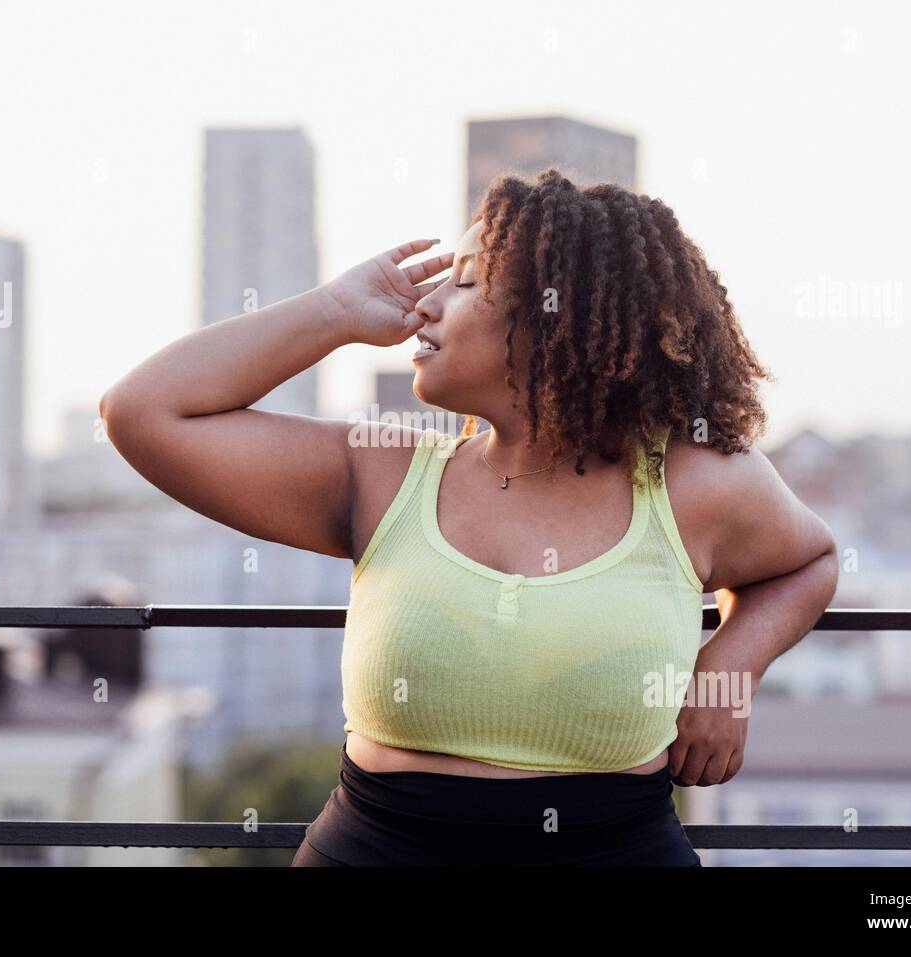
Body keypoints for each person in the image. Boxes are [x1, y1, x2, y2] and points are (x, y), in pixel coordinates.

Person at [100, 167, 839, 867]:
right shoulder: (381, 471)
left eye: (465, 282)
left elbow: (807, 561)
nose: (424, 305)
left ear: (556, 315)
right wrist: (334, 311)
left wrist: (730, 670)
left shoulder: (690, 483)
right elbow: (142, 411)